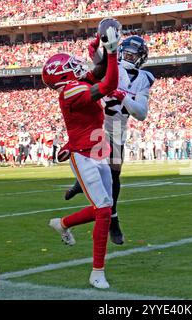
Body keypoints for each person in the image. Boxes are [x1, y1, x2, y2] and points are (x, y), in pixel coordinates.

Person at [44, 18, 121, 289]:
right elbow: (109, 83)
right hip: (83, 154)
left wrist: (103, 46)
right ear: (62, 72)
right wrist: (112, 50)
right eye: (70, 64)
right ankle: (96, 272)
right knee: (103, 210)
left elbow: (99, 72)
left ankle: (62, 223)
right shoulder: (69, 92)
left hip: (98, 149)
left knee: (105, 207)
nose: (76, 64)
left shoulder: (75, 85)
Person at [63, 35, 154, 245]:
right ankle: (113, 219)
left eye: (134, 53)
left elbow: (141, 113)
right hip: (97, 123)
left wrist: (123, 97)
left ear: (142, 57)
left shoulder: (143, 79)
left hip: (118, 128)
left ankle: (81, 184)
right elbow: (98, 60)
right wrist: (98, 42)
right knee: (111, 172)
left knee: (113, 174)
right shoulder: (114, 67)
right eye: (127, 51)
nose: (129, 55)